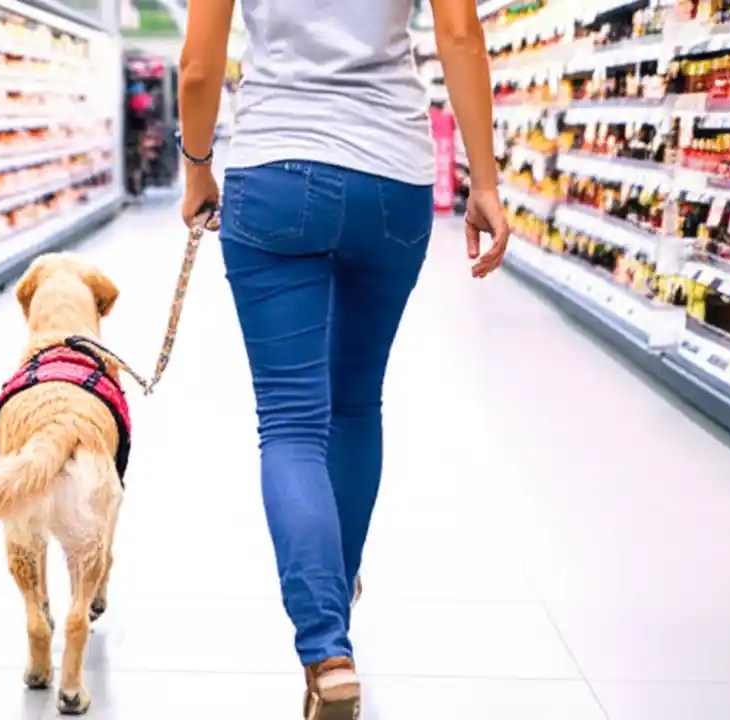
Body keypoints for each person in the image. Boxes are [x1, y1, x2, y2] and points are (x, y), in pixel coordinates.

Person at [177, 0, 508, 717]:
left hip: (275, 170)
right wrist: (483, 183)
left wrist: (198, 167)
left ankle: (326, 651)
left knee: (292, 425)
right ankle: (336, 608)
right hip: (393, 176)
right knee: (356, 402)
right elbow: (459, 34)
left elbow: (200, 64)